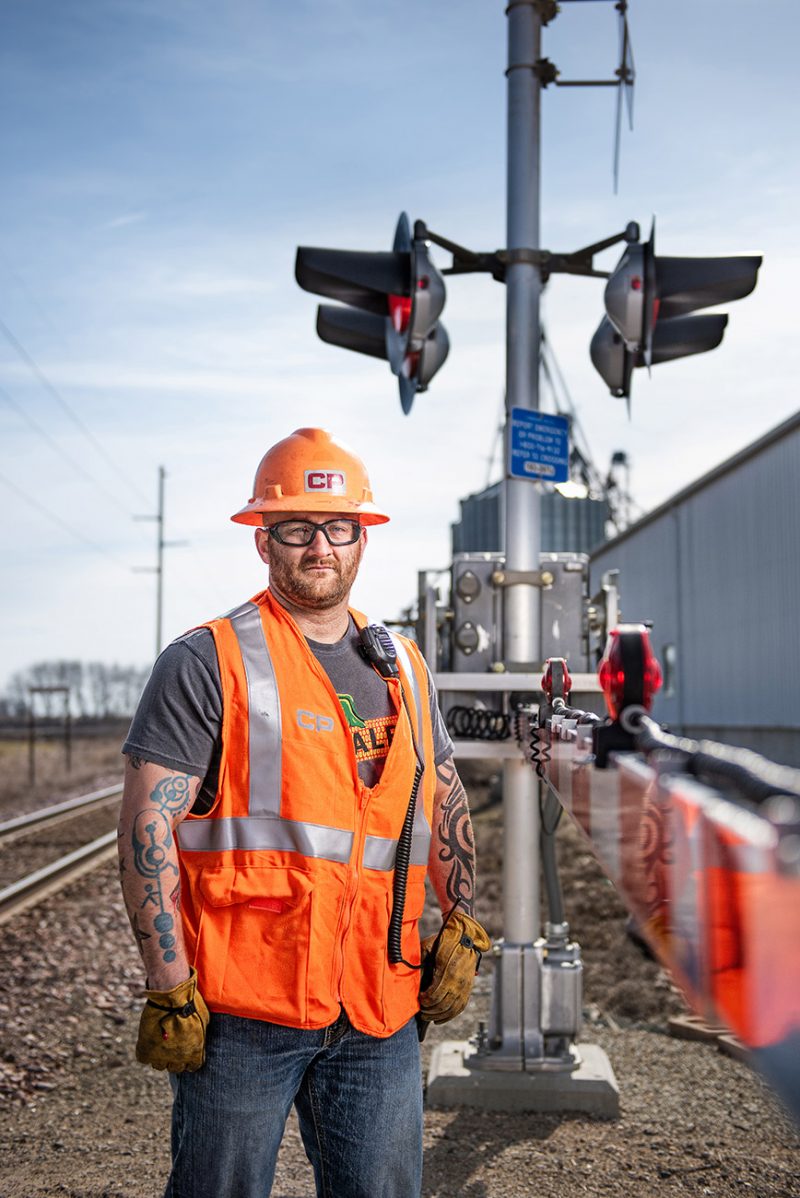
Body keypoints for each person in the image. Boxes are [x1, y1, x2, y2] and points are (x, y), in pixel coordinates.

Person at [117, 427, 489, 1198]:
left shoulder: (407, 667)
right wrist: (166, 981)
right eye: (296, 527)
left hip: (380, 1005)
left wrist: (463, 921)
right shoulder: (207, 659)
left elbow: (442, 794)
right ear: (264, 539)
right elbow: (146, 828)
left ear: (362, 537)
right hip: (241, 1012)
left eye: (338, 526)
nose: (319, 546)